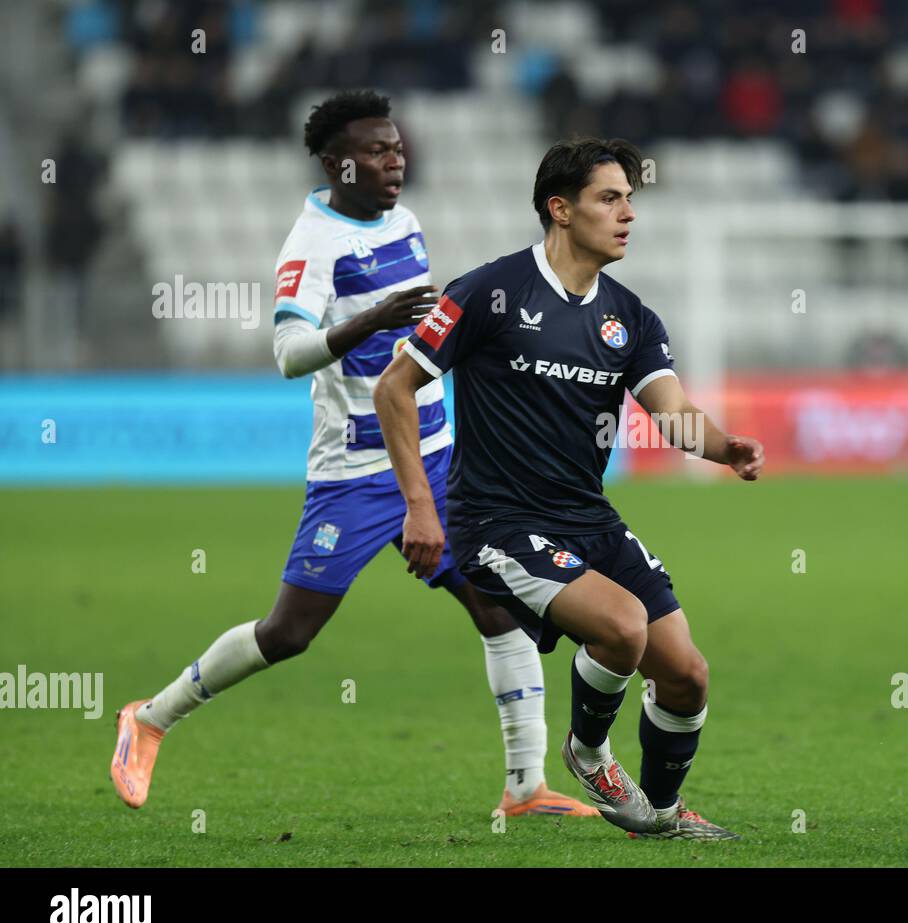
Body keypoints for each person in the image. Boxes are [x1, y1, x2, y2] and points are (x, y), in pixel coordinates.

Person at [110, 90, 594, 820]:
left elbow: (420, 343)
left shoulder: (405, 220)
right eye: (376, 151)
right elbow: (287, 354)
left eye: (397, 147)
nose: (394, 160)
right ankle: (150, 717)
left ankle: (525, 788)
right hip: (356, 475)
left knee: (498, 609)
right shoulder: (311, 246)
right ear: (339, 163)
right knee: (290, 632)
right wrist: (367, 319)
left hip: (438, 453)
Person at [373, 137, 766, 840]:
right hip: (496, 521)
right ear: (561, 209)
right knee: (621, 627)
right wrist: (419, 508)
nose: (628, 215)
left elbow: (672, 414)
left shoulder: (631, 318)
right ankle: (586, 754)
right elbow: (394, 388)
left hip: (586, 517)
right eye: (610, 198)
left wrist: (721, 445)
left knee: (687, 676)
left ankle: (666, 816)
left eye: (630, 200)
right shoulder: (487, 293)